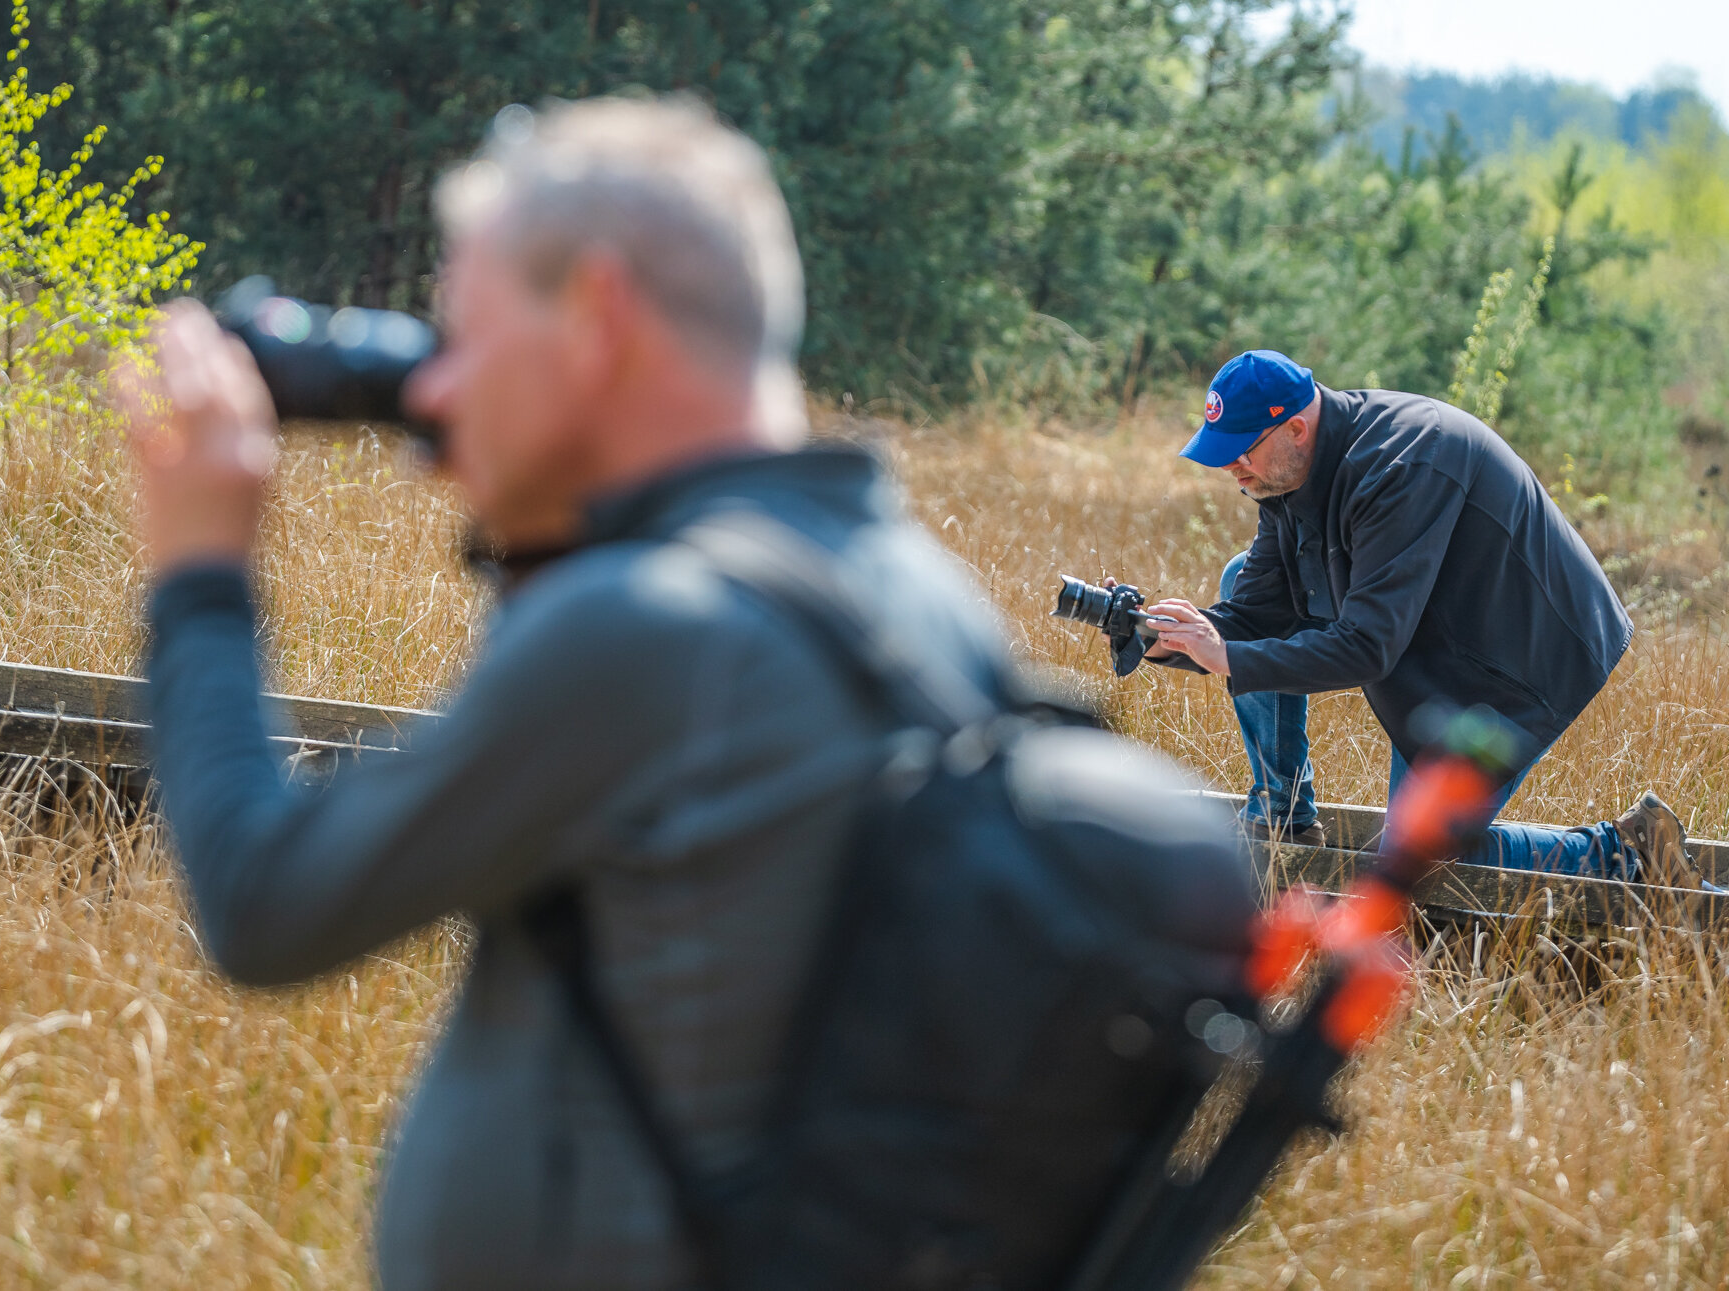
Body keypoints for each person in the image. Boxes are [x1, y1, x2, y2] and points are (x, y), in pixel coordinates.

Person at [124, 96, 1073, 1289]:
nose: (433, 388)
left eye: (461, 335)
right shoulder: (909, 591)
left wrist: (201, 571)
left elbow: (265, 902)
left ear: (597, 314)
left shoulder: (657, 631)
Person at [1134, 349, 1715, 890]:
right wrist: (1161, 641)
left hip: (1517, 656)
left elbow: (1367, 647)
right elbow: (1256, 609)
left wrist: (1226, 654)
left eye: (1242, 450)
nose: (1232, 468)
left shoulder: (1402, 462)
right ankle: (1282, 815)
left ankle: (1624, 854)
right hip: (1432, 641)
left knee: (1419, 868)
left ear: (1295, 427)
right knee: (1241, 576)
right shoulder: (1285, 473)